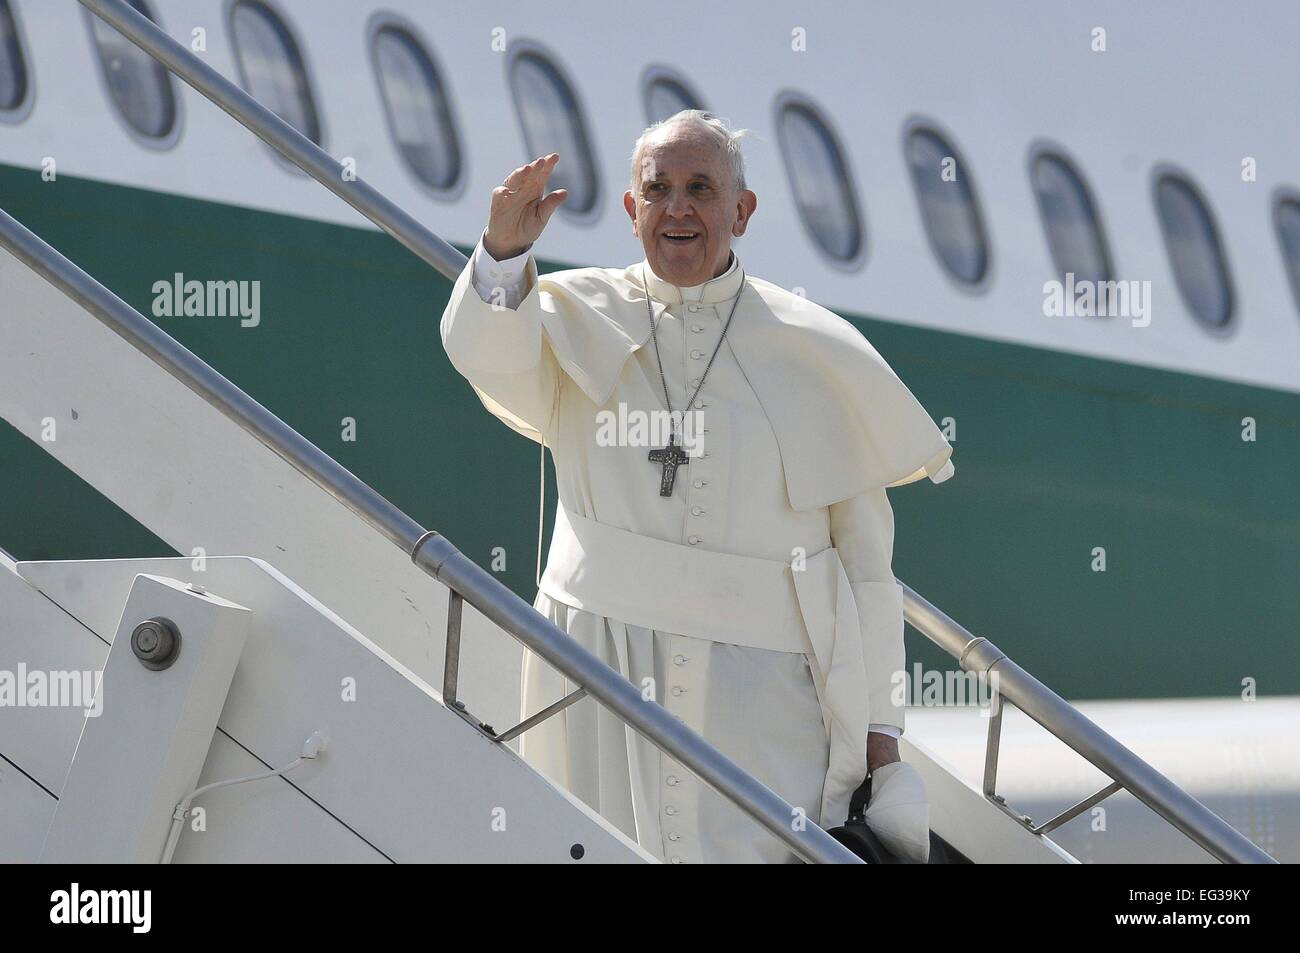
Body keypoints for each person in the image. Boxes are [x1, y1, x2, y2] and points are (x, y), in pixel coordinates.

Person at [440, 110, 952, 863]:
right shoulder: (573, 315)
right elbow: (489, 359)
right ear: (631, 210)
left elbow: (869, 578)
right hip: (594, 675)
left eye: (701, 187)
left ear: (741, 212)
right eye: (659, 189)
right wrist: (503, 251)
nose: (678, 208)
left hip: (766, 708)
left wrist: (885, 752)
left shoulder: (817, 352)